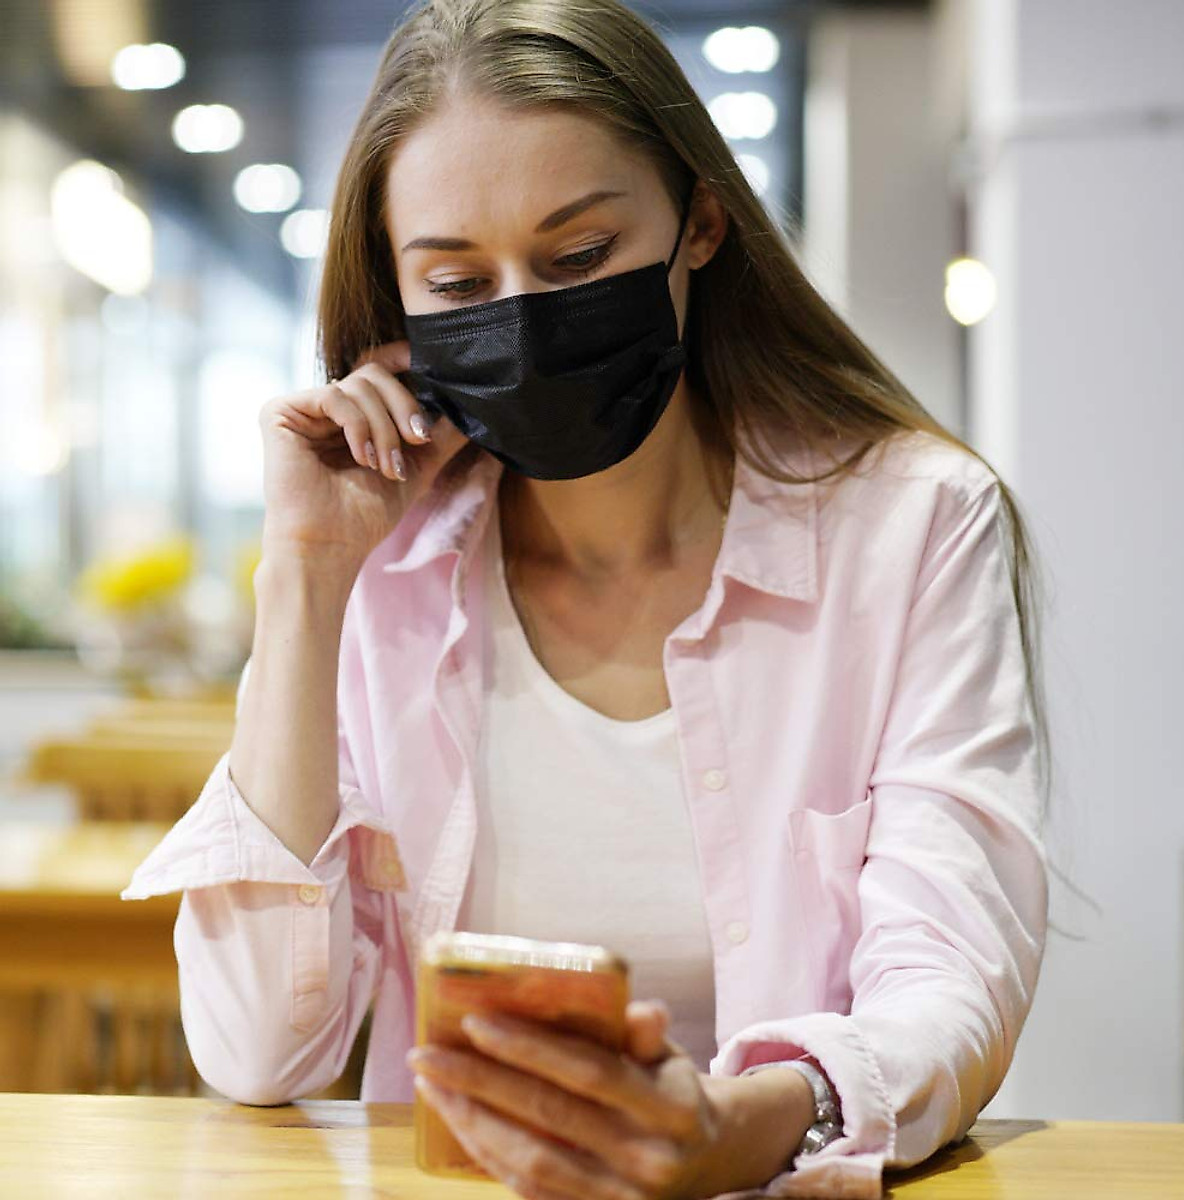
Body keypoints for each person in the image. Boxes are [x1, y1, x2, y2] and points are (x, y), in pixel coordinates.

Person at [122, 1, 1050, 1196]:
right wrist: (305, 574)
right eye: (458, 280)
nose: (523, 317)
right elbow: (259, 1050)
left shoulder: (913, 525)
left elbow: (951, 980)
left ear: (700, 223)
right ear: (397, 306)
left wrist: (734, 1128)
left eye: (578, 260)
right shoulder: (382, 579)